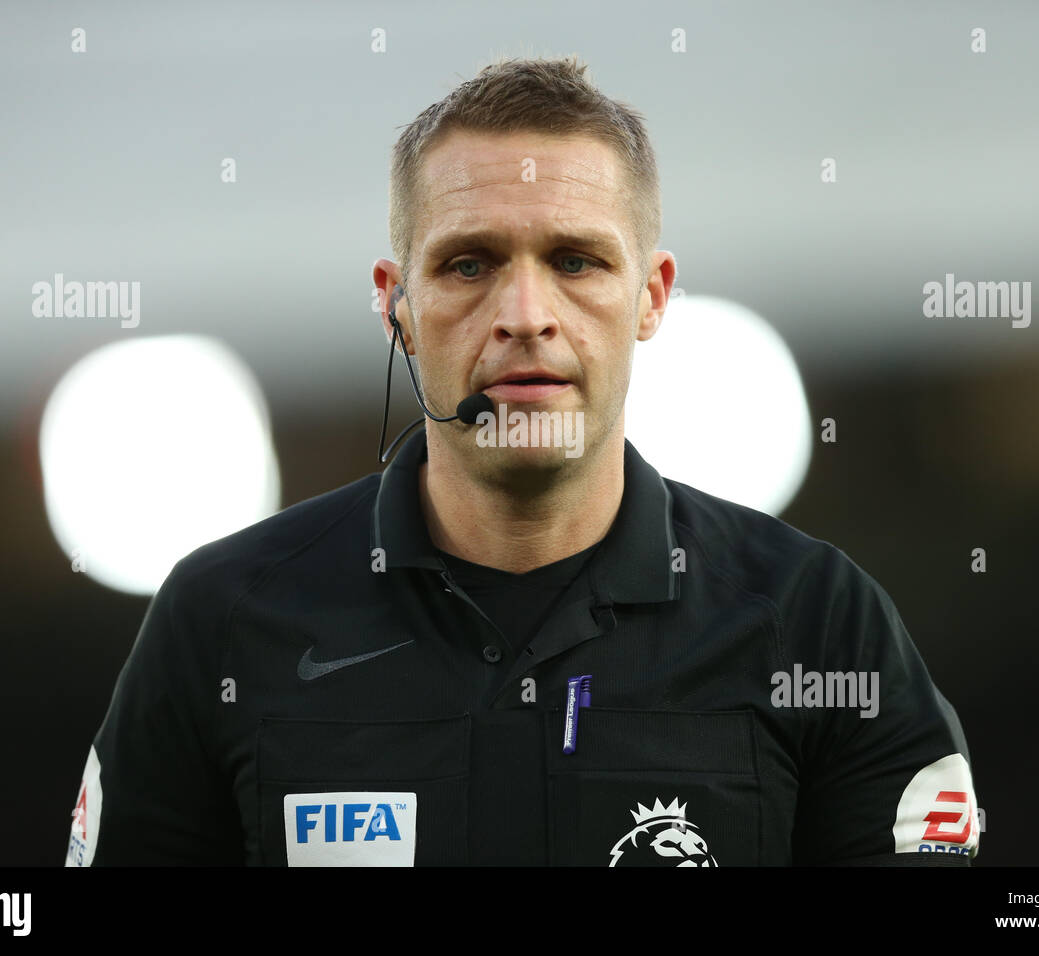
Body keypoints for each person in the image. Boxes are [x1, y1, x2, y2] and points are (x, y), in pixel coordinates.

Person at [65, 54, 979, 867]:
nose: (526, 314)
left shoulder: (815, 621)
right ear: (397, 306)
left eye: (577, 261)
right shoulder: (222, 619)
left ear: (652, 297)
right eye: (469, 265)